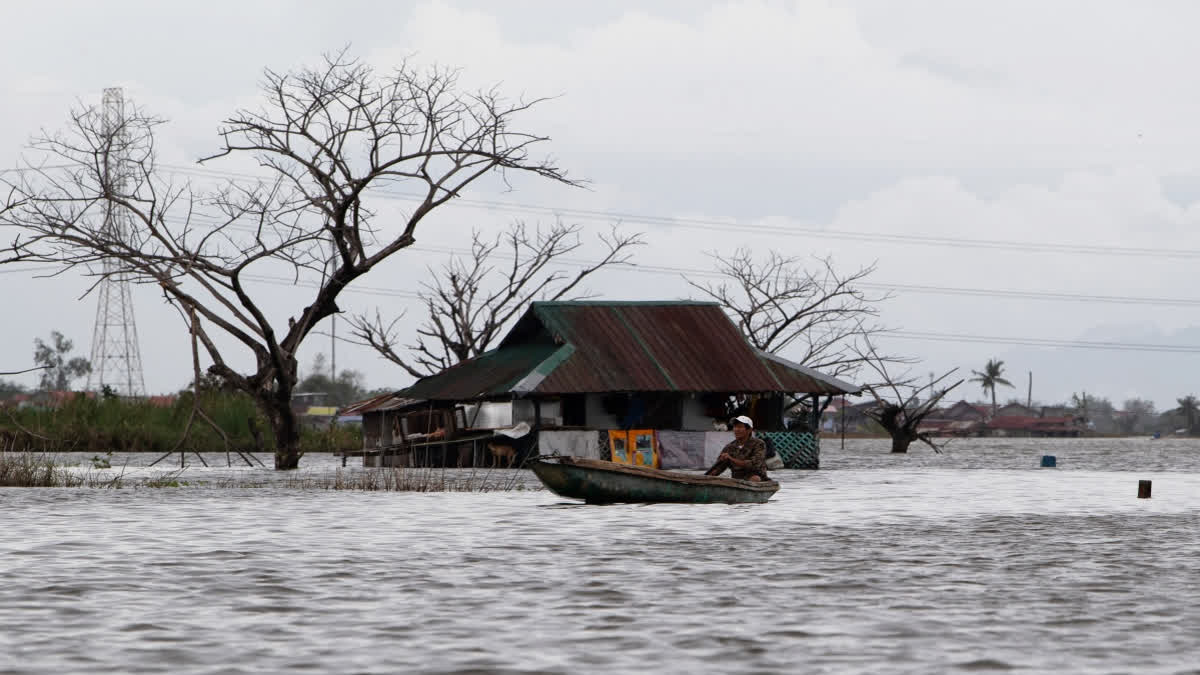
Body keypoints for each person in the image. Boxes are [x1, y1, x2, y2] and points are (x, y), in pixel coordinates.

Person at [705, 415, 769, 482]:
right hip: (737, 480)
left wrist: (731, 458)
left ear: (749, 430)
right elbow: (719, 468)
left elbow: (752, 465)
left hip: (757, 478)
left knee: (755, 478)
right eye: (735, 427)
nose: (736, 429)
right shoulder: (729, 447)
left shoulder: (759, 444)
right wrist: (709, 476)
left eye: (740, 427)